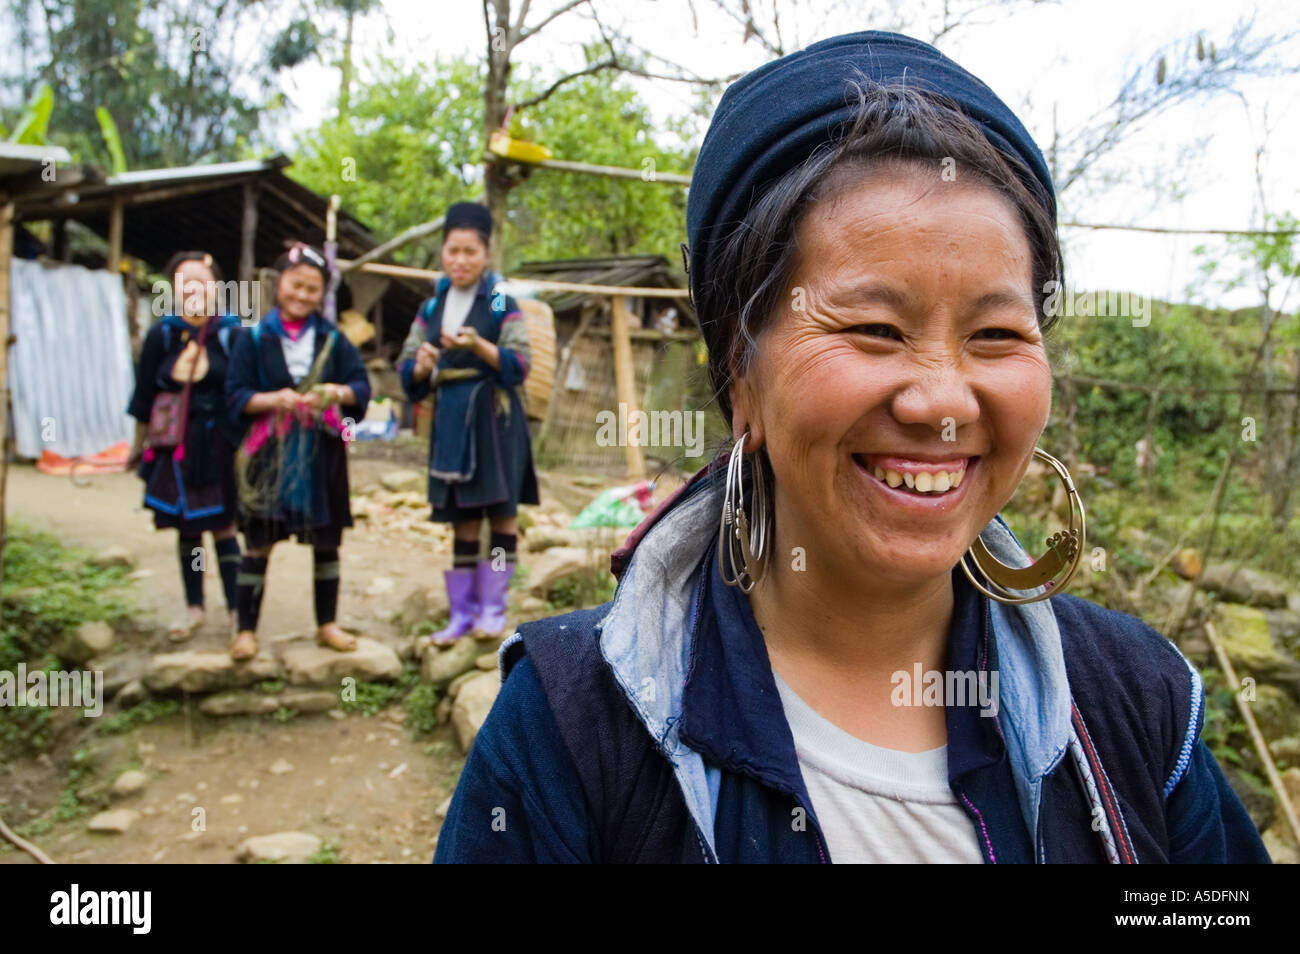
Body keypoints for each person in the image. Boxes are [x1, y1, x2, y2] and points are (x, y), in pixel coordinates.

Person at [433, 31, 1271, 863]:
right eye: (874, 328)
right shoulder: (572, 732)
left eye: (995, 332)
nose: (943, 401)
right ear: (741, 370)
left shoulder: (1140, 707)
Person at [398, 202, 539, 646]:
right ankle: (460, 614)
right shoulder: (431, 305)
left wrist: (479, 346)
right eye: (452, 251)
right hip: (451, 420)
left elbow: (520, 363)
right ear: (442, 252)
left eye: (470, 252)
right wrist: (421, 365)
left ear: (486, 253)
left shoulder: (499, 300)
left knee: (501, 515)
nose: (460, 260)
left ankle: (493, 609)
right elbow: (408, 370)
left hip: (493, 418)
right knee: (460, 518)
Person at [225, 242, 371, 661]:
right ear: (278, 285)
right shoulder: (252, 338)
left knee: (327, 543)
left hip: (320, 454)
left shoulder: (335, 340)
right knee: (258, 542)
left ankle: (327, 624)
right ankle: (246, 631)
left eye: (313, 289)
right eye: (296, 285)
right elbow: (234, 396)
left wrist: (334, 391)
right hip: (268, 455)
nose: (303, 295)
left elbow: (361, 388)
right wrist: (273, 400)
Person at [127, 251, 244, 641]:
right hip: (175, 446)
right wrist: (137, 447)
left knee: (224, 527)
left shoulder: (232, 333)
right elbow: (144, 395)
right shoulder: (162, 335)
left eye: (202, 280)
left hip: (219, 445)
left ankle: (236, 609)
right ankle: (194, 606)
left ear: (217, 287)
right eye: (184, 281)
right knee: (189, 529)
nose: (194, 288)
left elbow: (245, 393)